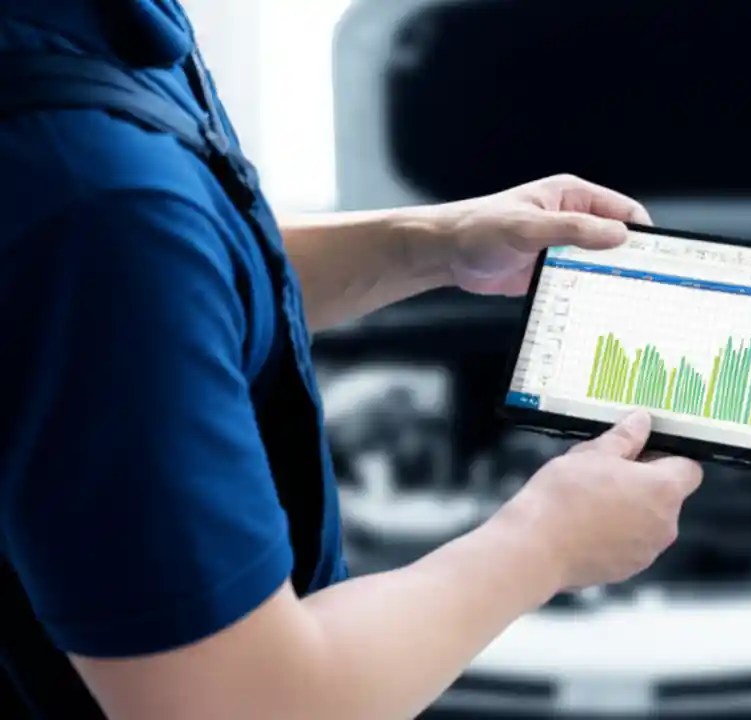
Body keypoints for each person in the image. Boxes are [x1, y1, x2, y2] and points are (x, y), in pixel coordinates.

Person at [0, 2, 702, 718]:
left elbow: (178, 277)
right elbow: (250, 707)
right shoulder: (92, 201)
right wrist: (546, 542)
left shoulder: (104, 41)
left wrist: (430, 244)